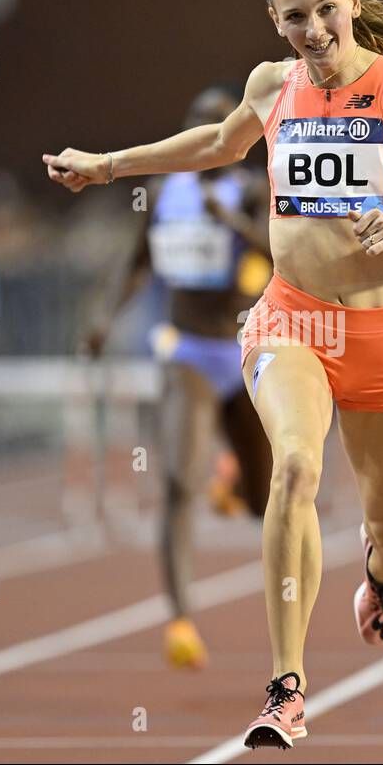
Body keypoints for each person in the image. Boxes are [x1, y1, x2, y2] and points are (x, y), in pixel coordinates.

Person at [43, 0, 383, 750]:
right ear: (275, 20)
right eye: (296, 17)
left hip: (382, 330)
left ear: (351, 1)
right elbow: (217, 145)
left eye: (326, 10)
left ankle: (381, 578)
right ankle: (286, 688)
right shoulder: (271, 85)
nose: (314, 30)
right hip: (292, 319)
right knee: (294, 466)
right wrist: (106, 167)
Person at [83, 82, 274, 670]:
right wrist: (104, 315)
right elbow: (137, 263)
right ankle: (181, 619)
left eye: (219, 126)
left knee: (268, 497)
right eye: (199, 125)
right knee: (175, 483)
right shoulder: (165, 191)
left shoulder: (255, 189)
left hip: (244, 348)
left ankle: (234, 481)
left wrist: (234, 224)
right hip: (186, 349)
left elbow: (279, 253)